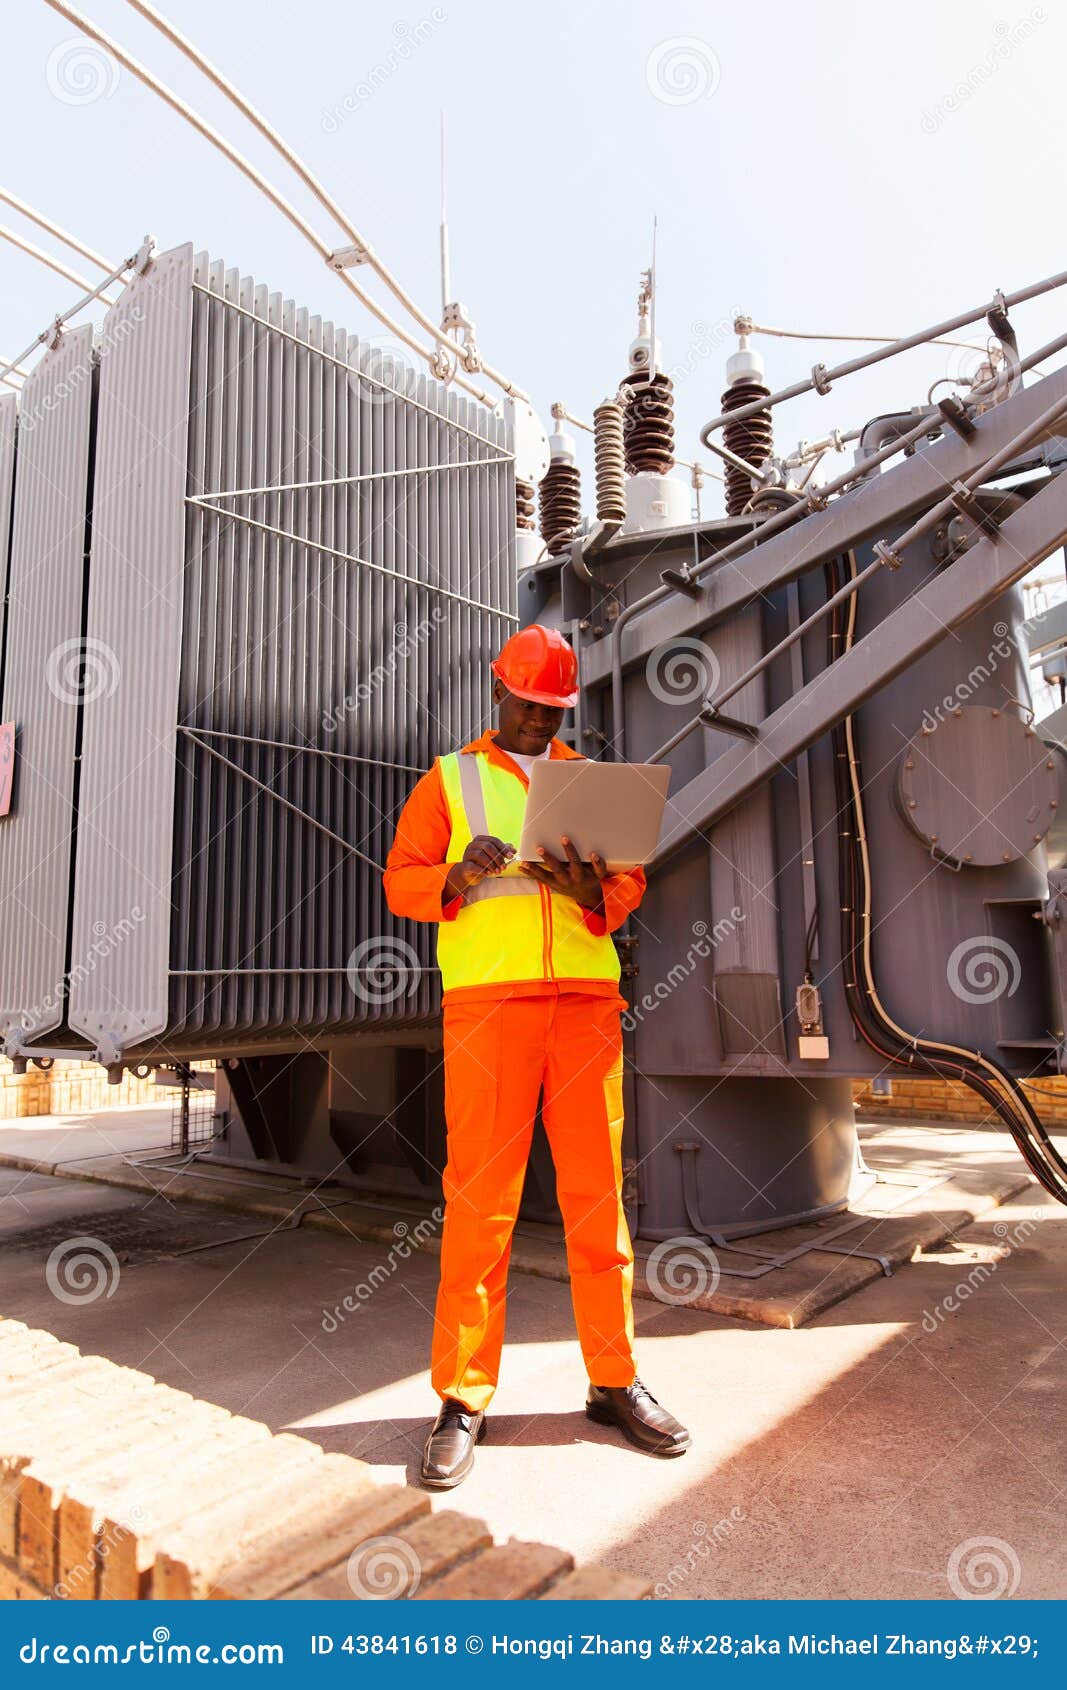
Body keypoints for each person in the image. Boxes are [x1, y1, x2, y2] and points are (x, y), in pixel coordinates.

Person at [382, 623, 690, 1489]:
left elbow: (624, 889)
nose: (534, 720)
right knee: (480, 1204)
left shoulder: (589, 783)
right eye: (524, 704)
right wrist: (456, 874)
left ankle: (614, 1380)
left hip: (585, 1009)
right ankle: (461, 1400)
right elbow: (398, 879)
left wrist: (594, 889)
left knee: (598, 1203)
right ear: (497, 692)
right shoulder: (450, 779)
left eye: (550, 708)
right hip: (488, 1010)